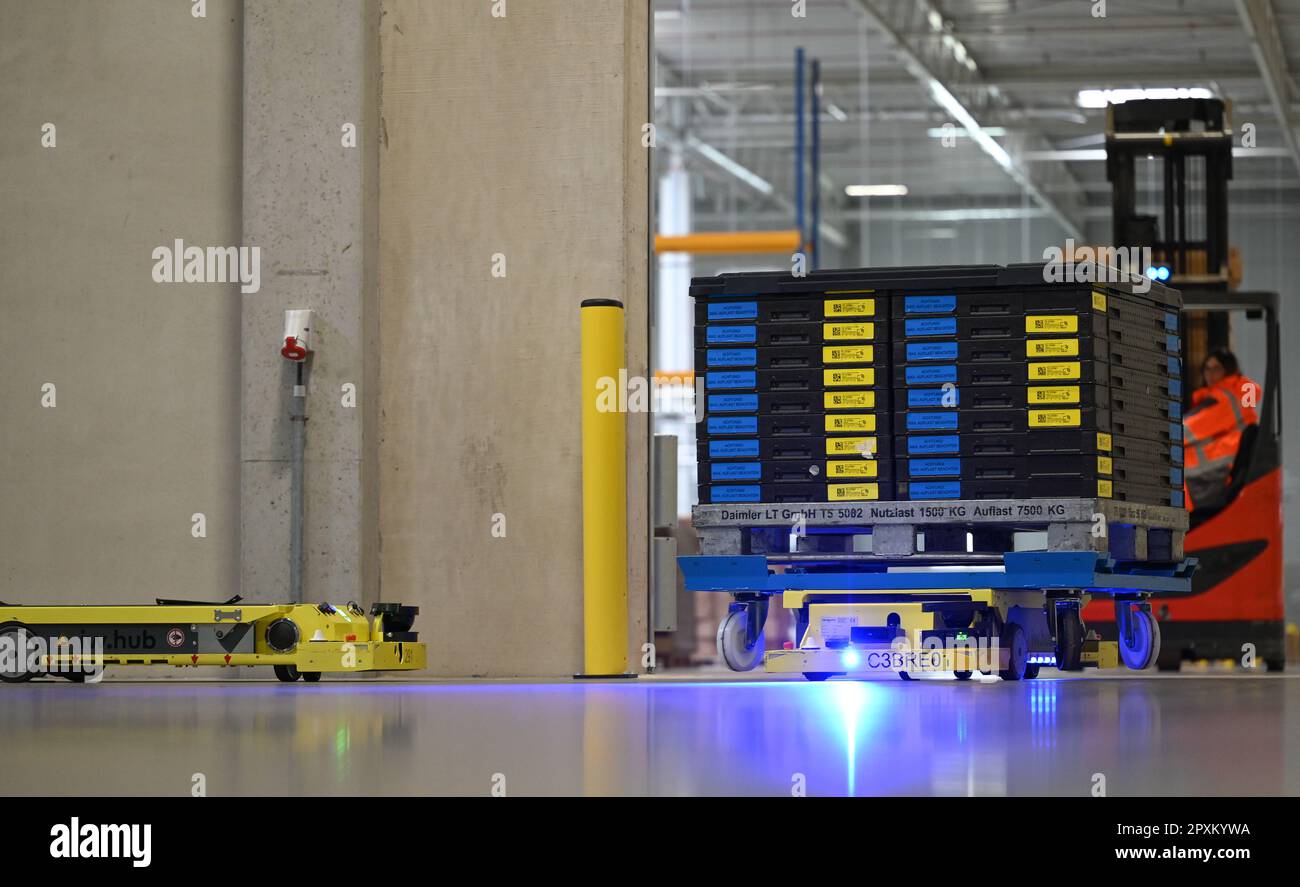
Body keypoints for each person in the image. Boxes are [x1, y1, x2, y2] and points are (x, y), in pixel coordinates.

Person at [1183, 349, 1260, 511]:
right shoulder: (1238, 396)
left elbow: (1185, 432)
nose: (1210, 374)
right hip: (1217, 474)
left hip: (1206, 479)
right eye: (1207, 368)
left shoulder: (1224, 399)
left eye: (1216, 368)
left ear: (1229, 370)